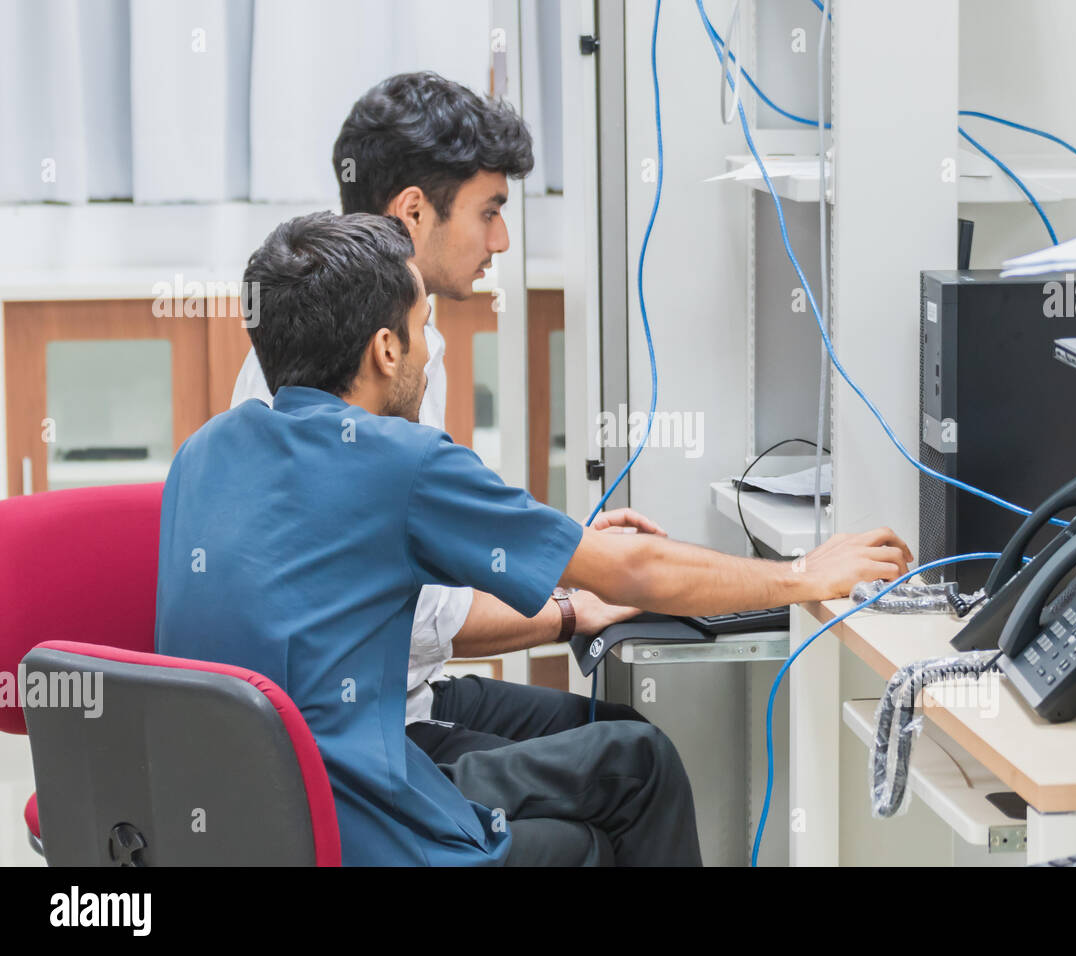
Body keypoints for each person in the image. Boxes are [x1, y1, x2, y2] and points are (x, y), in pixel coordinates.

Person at [159, 211, 914, 865]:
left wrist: (562, 560)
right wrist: (804, 573)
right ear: (385, 350)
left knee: (597, 780)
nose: (429, 355)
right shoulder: (397, 460)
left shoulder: (206, 450)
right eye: (424, 331)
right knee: (638, 762)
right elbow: (636, 571)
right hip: (357, 818)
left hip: (249, 814)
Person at [229, 72, 653, 752]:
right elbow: (430, 619)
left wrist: (556, 550)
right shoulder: (359, 367)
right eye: (489, 212)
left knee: (620, 739)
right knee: (630, 765)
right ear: (414, 213)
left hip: (395, 692)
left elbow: (418, 552)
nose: (503, 240)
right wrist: (577, 601)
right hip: (355, 735)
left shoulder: (385, 336)